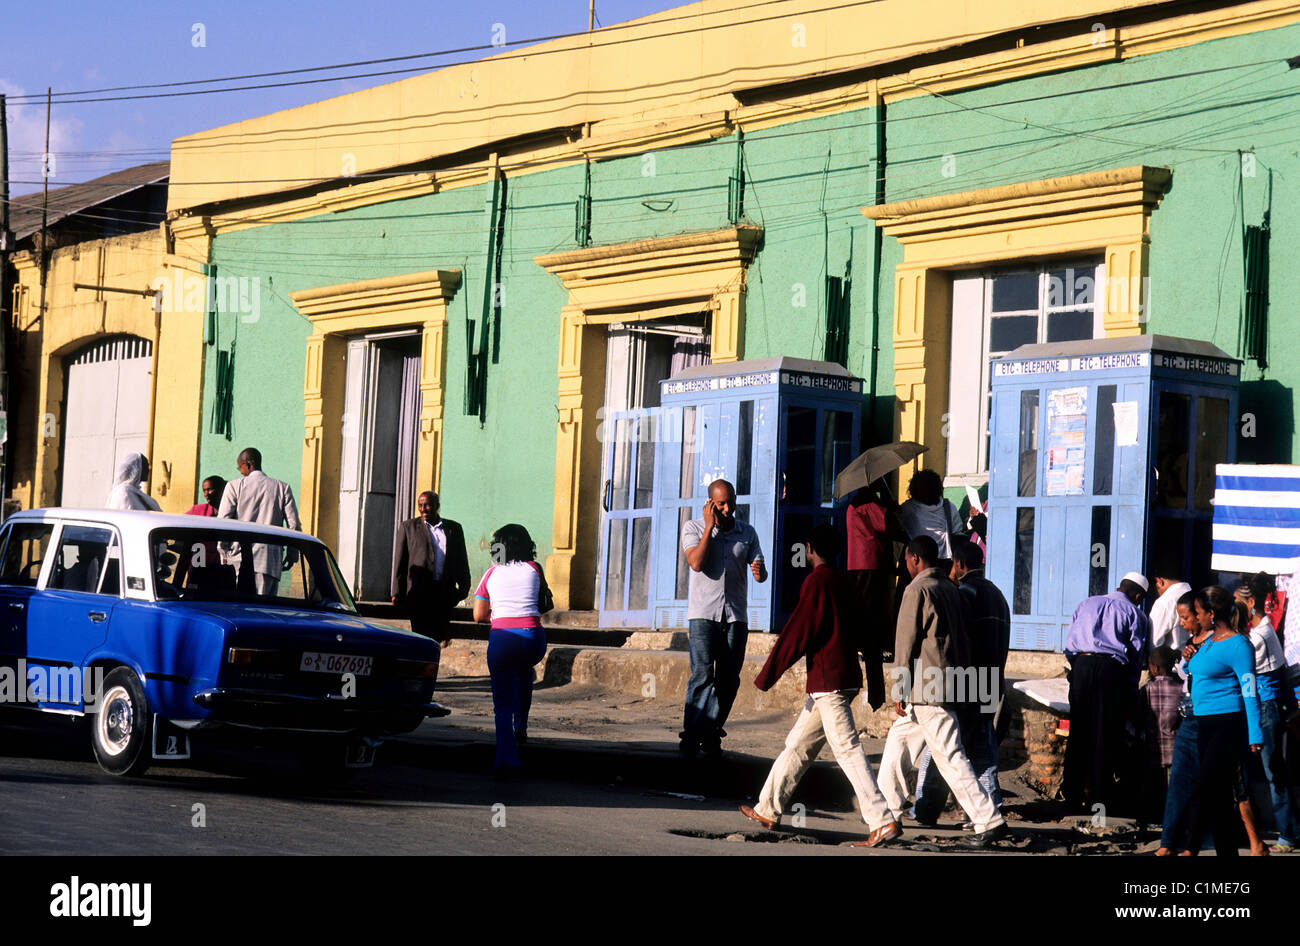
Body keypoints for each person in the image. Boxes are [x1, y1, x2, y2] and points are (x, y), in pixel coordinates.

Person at [739, 524, 900, 848]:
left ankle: (882, 820)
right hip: (841, 679)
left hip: (828, 681)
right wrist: (876, 680)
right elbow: (869, 633)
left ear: (810, 549)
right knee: (798, 744)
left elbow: (797, 632)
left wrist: (766, 676)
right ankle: (767, 809)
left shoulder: (818, 582)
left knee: (848, 749)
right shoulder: (846, 582)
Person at [877, 535, 1008, 848]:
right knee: (899, 742)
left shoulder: (917, 589)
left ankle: (988, 819)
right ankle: (886, 813)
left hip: (928, 687)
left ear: (914, 559)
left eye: (907, 560)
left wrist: (899, 686)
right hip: (955, 683)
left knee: (950, 755)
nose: (905, 565)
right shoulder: (951, 589)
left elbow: (905, 643)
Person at [912, 540, 1011, 824]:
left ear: (960, 565)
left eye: (953, 566)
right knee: (980, 745)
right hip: (992, 679)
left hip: (968, 679)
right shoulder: (999, 596)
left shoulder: (964, 594)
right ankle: (986, 805)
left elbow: (956, 640)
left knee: (945, 743)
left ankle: (927, 805)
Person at [1170, 586, 1263, 857]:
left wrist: (1254, 733)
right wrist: (1188, 660)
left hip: (1228, 724)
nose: (1195, 618)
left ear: (1211, 613)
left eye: (1198, 613)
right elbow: (1196, 670)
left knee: (1204, 787)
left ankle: (1190, 848)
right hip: (1204, 724)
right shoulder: (1208, 642)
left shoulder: (1238, 645)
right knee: (1219, 796)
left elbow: (1249, 690)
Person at [679, 478, 767, 760]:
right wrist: (709, 527)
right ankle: (692, 735)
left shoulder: (747, 532)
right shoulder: (692, 528)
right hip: (704, 614)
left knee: (729, 679)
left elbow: (761, 572)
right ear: (710, 504)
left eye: (730, 502)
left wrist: (758, 572)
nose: (727, 508)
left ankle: (711, 730)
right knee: (703, 674)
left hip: (735, 616)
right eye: (720, 504)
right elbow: (696, 563)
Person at [1062, 571, 1151, 812]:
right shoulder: (1135, 613)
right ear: (1138, 595)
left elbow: (1070, 644)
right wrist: (1131, 688)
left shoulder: (1087, 603)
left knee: (1079, 729)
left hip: (1082, 666)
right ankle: (1098, 797)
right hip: (1112, 671)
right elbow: (1136, 654)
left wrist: (1077, 669)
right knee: (1105, 732)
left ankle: (1070, 792)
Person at [472, 524, 549, 774]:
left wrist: (500, 616)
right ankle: (522, 726)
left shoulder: (491, 574)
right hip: (533, 640)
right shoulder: (535, 569)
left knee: (502, 705)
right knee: (525, 671)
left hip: (503, 640)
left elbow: (478, 616)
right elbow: (542, 603)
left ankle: (507, 760)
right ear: (527, 545)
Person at [1236, 574, 1297, 853]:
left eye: (1237, 602)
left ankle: (1287, 833)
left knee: (1273, 772)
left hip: (1264, 709)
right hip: (1263, 707)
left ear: (1250, 602)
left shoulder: (1258, 636)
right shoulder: (1261, 631)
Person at [845, 479, 906, 705]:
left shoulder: (858, 503)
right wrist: (890, 502)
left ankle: (872, 691)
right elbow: (889, 525)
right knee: (872, 625)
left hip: (860, 566)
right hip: (870, 565)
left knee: (865, 625)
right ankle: (876, 695)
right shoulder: (869, 503)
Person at [1156, 592, 1208, 855]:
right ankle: (1168, 843)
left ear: (1202, 615)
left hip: (1208, 718)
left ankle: (1192, 844)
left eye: (1187, 617)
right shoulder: (1190, 643)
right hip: (1187, 717)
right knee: (1178, 780)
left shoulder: (1217, 644)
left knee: (1202, 783)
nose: (1183, 623)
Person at [217, 447, 301, 595]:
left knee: (239, 606)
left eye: (240, 467)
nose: (241, 472)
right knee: (264, 608)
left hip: (238, 558)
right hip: (270, 560)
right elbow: (293, 525)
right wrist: (292, 554)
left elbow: (224, 521)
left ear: (248, 464)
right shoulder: (282, 488)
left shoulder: (234, 486)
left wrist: (223, 551)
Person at [391, 491, 471, 644]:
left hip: (444, 594)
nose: (423, 509)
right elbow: (400, 561)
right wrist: (396, 591)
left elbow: (461, 560)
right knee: (420, 638)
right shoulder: (409, 528)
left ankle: (431, 667)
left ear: (437, 506)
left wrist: (463, 588)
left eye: (427, 505)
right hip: (419, 594)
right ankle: (419, 667)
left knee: (438, 639)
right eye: (420, 505)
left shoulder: (454, 529)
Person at [1140, 646, 1182, 827]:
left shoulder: (1147, 690)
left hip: (1152, 749)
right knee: (1174, 789)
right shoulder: (1180, 689)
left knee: (1152, 788)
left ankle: (1152, 819)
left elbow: (1137, 717)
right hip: (1174, 749)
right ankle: (1173, 822)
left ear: (1154, 668)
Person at [1149, 569, 1194, 650]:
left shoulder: (1164, 602)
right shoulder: (1195, 596)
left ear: (1159, 581)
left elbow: (1154, 643)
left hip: (1171, 660)